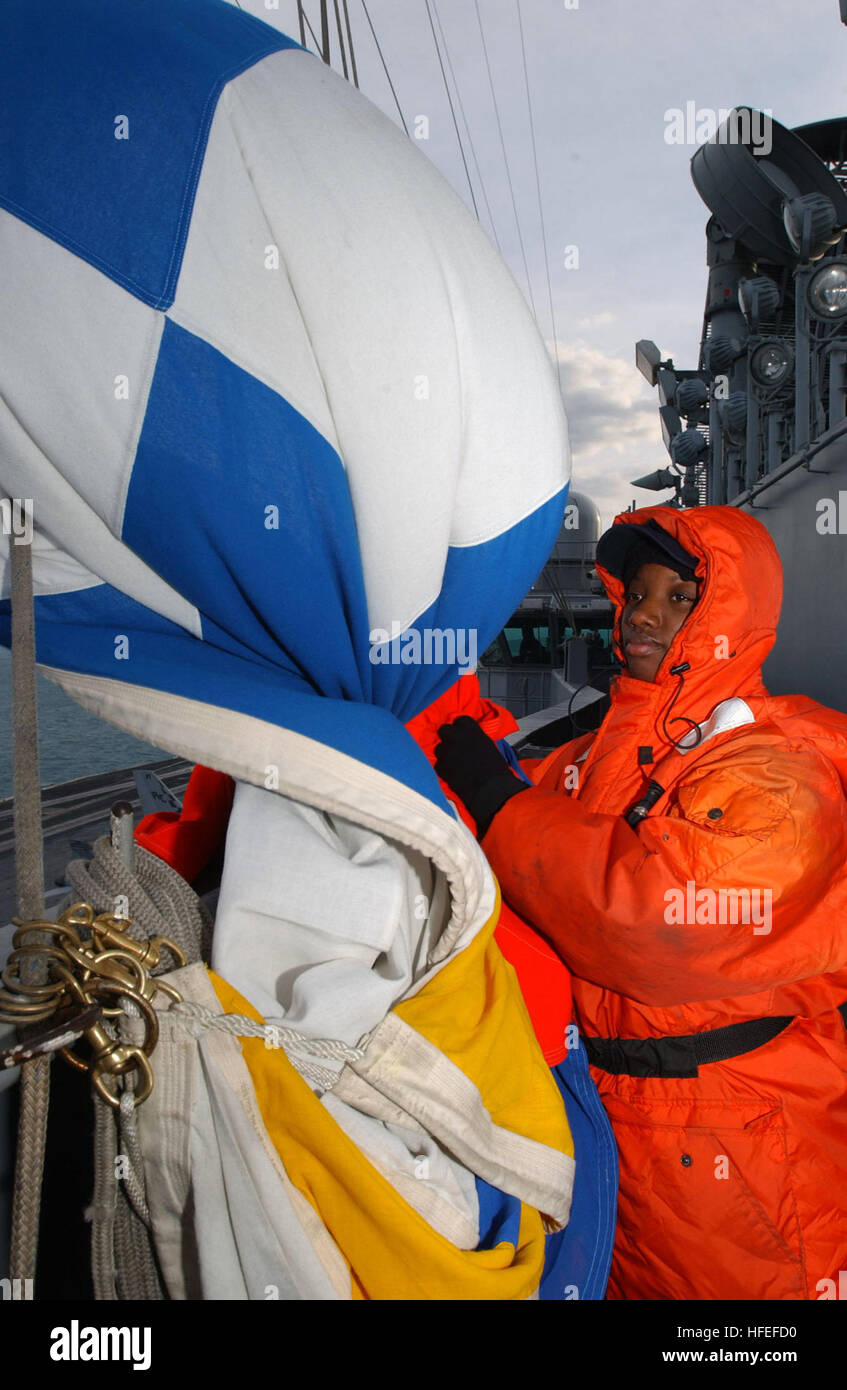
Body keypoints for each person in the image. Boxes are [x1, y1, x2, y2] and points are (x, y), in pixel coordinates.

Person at [434, 503, 847, 1301]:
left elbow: (671, 918)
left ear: (729, 611)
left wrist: (499, 805)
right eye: (639, 594)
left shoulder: (778, 767)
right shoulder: (590, 758)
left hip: (735, 1141)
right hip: (598, 1119)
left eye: (679, 597)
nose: (644, 616)